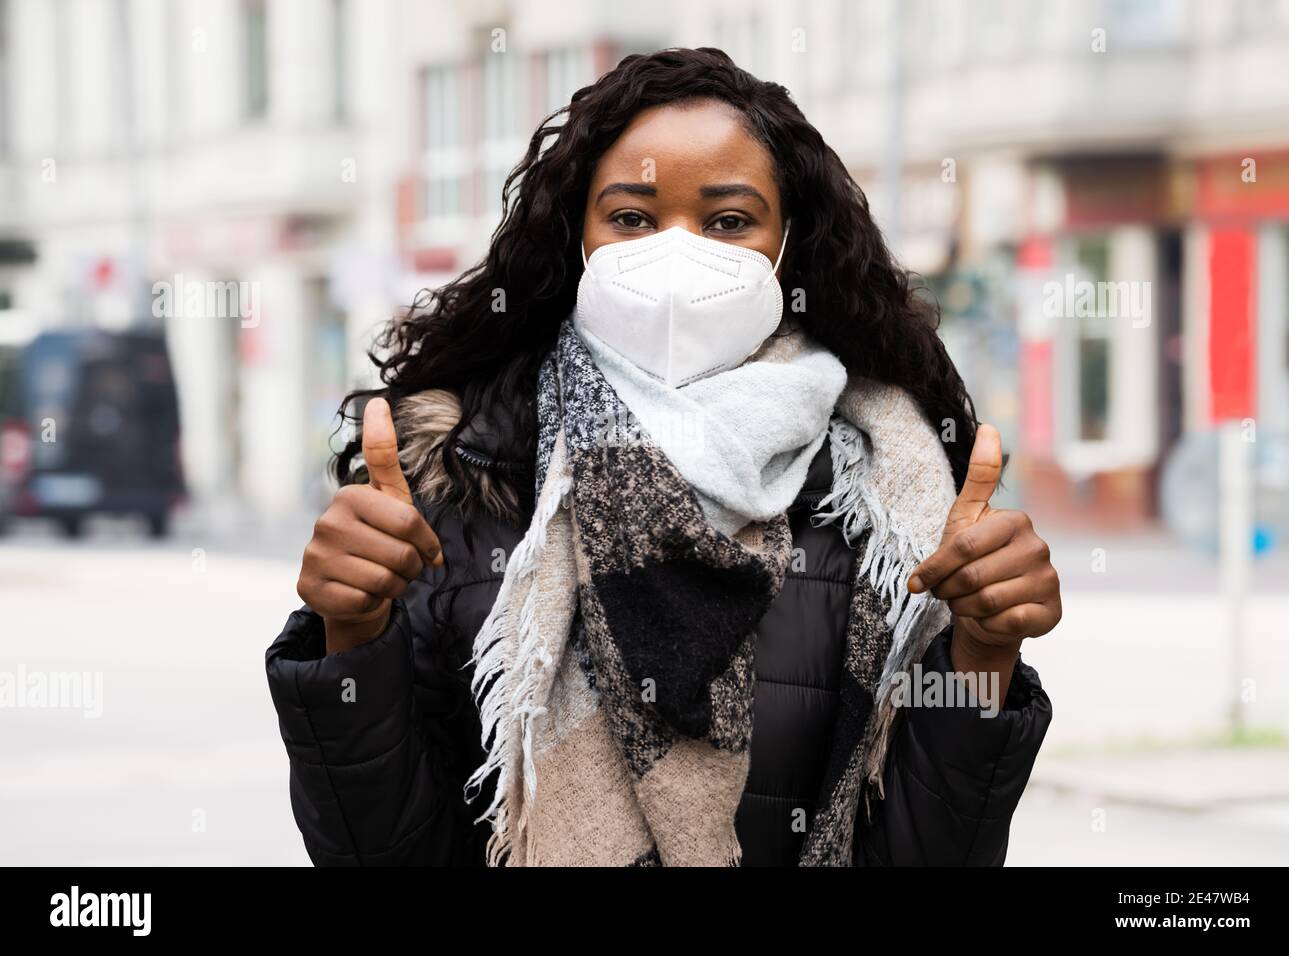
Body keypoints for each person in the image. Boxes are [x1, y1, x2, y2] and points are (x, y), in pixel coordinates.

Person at [266, 48, 1059, 867]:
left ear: (789, 247)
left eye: (727, 221)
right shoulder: (461, 475)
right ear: (575, 236)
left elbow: (930, 855)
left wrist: (984, 654)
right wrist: (351, 638)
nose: (677, 255)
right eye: (633, 219)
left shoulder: (888, 501)